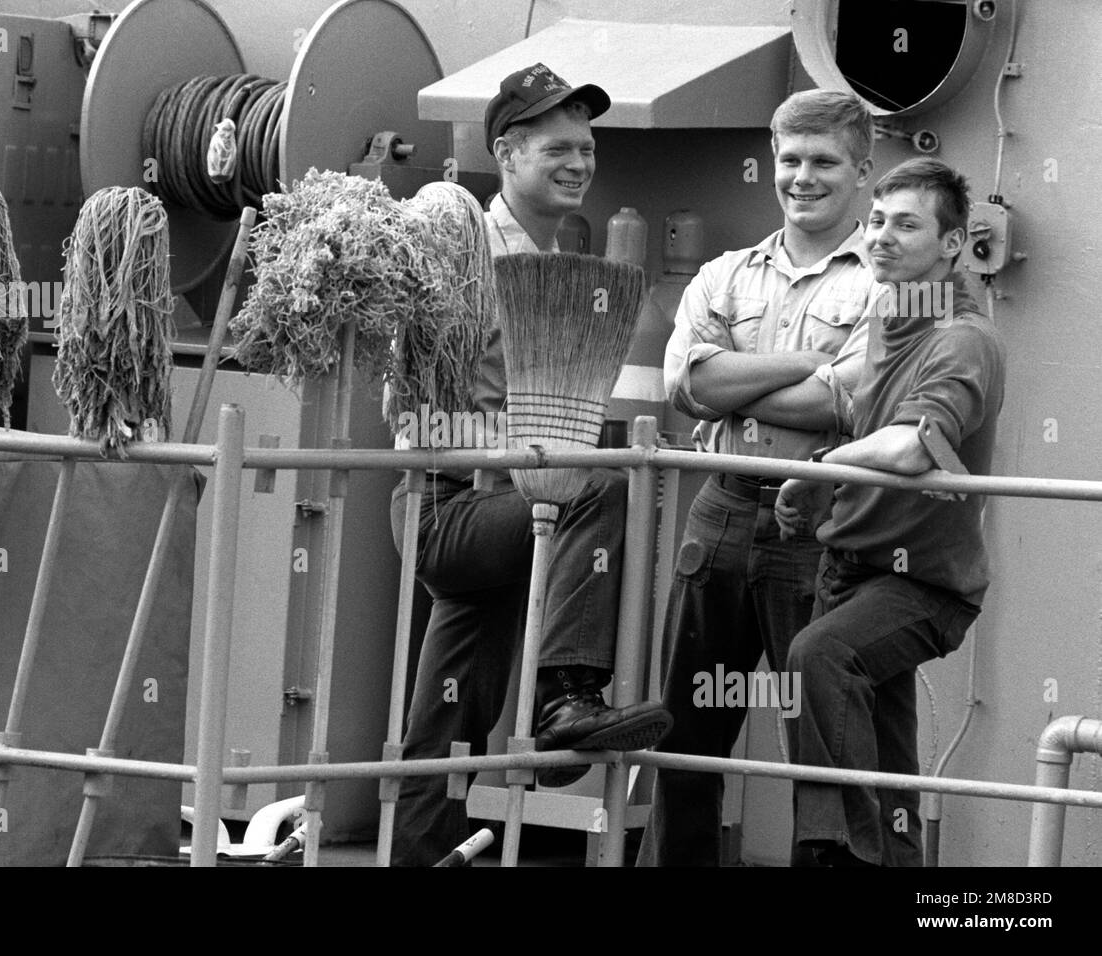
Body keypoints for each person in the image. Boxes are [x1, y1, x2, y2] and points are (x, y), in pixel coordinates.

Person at [389, 63, 671, 867]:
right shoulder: (462, 248)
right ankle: (566, 701)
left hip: (512, 509)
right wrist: (524, 456)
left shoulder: (556, 259)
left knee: (443, 726)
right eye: (558, 148)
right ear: (506, 154)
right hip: (450, 504)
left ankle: (414, 857)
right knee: (599, 490)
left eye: (587, 148)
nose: (579, 162)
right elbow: (406, 408)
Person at [637, 89, 878, 867]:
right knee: (688, 728)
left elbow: (854, 396)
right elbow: (688, 386)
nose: (802, 178)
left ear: (864, 172)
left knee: (819, 735)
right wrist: (811, 366)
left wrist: (739, 377)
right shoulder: (723, 274)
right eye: (789, 160)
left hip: (821, 522)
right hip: (722, 511)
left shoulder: (886, 284)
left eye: (823, 162)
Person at [774, 158, 1005, 866]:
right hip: (851, 567)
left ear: (953, 245)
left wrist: (819, 471)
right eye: (876, 221)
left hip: (924, 585)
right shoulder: (888, 320)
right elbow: (862, 422)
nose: (882, 237)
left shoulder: (963, 339)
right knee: (887, 766)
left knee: (819, 657)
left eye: (907, 224)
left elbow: (911, 448)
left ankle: (840, 857)